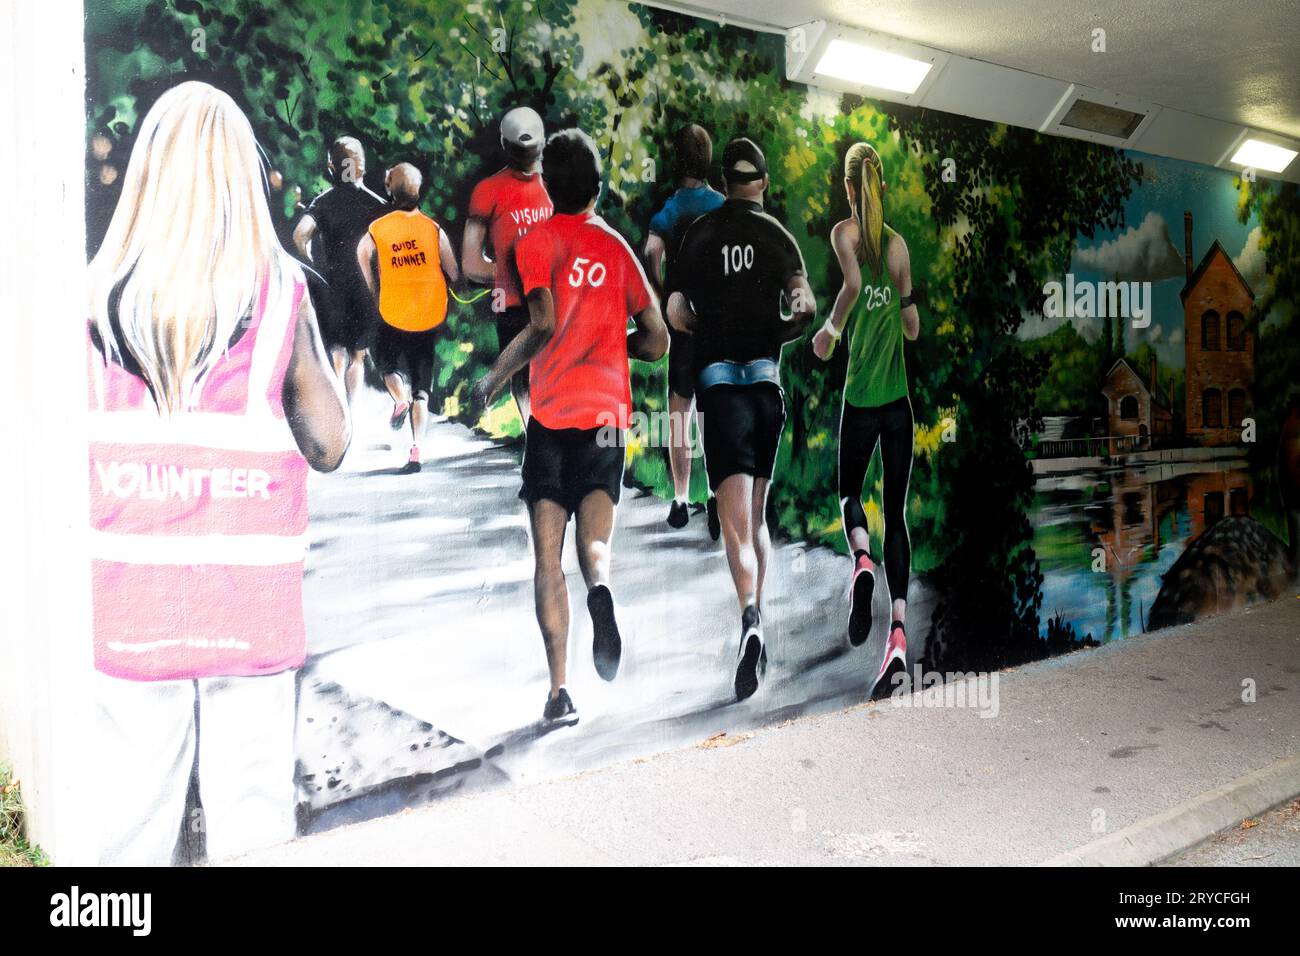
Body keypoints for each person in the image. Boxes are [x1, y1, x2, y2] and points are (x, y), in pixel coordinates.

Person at [86, 81, 350, 865]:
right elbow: (330, 445)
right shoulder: (283, 294)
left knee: (128, 818)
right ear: (243, 176)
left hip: (130, 598)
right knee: (255, 811)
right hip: (248, 602)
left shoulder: (91, 301)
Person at [472, 128, 667, 725]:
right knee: (594, 545)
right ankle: (601, 587)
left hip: (553, 418)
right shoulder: (616, 247)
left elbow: (541, 325)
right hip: (606, 417)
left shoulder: (536, 243)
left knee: (548, 560)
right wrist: (613, 343)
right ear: (598, 187)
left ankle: (559, 690)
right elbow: (658, 339)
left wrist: (495, 377)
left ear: (548, 187)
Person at [668, 138, 815, 702]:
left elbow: (675, 311)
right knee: (757, 517)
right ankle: (760, 618)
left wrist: (706, 328)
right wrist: (776, 331)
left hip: (719, 388)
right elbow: (804, 306)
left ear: (725, 182)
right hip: (766, 387)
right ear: (764, 183)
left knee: (733, 526)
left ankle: (749, 615)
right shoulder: (779, 236)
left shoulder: (699, 234)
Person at [811, 142, 921, 693]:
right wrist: (899, 300)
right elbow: (913, 329)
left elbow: (852, 286)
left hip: (861, 401)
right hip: (898, 407)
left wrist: (829, 332)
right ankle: (897, 638)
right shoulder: (898, 246)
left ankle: (861, 561)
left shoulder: (844, 234)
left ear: (850, 188)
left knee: (849, 494)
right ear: (883, 185)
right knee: (895, 515)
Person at [644, 124, 725, 534]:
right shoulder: (722, 206)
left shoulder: (671, 209)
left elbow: (651, 254)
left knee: (680, 413)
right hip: (716, 322)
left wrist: (663, 296)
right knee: (714, 411)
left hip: (681, 323)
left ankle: (679, 498)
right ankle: (713, 495)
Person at [357, 162, 461, 474]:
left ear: (390, 189)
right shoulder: (433, 228)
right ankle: (416, 450)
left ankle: (398, 397)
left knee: (384, 360)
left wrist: (373, 285)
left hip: (392, 312)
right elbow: (453, 270)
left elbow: (362, 253)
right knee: (422, 388)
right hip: (428, 315)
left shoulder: (378, 228)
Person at [462, 106, 553, 424]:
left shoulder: (556, 186)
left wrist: (510, 274)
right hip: (529, 302)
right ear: (543, 142)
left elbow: (472, 264)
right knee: (532, 381)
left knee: (526, 381)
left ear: (504, 143)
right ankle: (539, 441)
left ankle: (536, 440)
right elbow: (471, 264)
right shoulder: (558, 187)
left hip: (523, 300)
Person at [293, 135, 389, 405]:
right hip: (366, 287)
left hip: (332, 283)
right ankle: (352, 409)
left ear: (331, 167)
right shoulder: (378, 206)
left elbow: (300, 236)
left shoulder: (323, 202)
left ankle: (337, 406)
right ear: (362, 166)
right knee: (358, 355)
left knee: (336, 349)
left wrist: (313, 265)